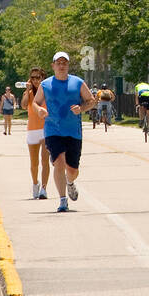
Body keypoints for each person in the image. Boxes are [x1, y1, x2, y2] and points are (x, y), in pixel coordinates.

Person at [33, 52, 96, 212]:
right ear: (53, 65)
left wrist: (81, 108)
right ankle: (62, 200)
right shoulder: (45, 85)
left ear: (68, 65)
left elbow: (91, 101)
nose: (61, 65)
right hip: (53, 130)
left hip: (73, 131)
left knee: (73, 170)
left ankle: (70, 182)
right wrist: (39, 110)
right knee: (59, 162)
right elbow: (35, 102)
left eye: (64, 63)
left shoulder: (78, 83)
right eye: (58, 63)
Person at [21, 68, 50, 199]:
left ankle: (44, 188)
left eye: (38, 77)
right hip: (32, 129)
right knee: (34, 163)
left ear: (43, 78)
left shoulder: (48, 92)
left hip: (45, 129)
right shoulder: (30, 92)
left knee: (45, 160)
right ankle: (35, 183)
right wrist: (27, 90)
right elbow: (22, 105)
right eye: (33, 78)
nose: (35, 80)